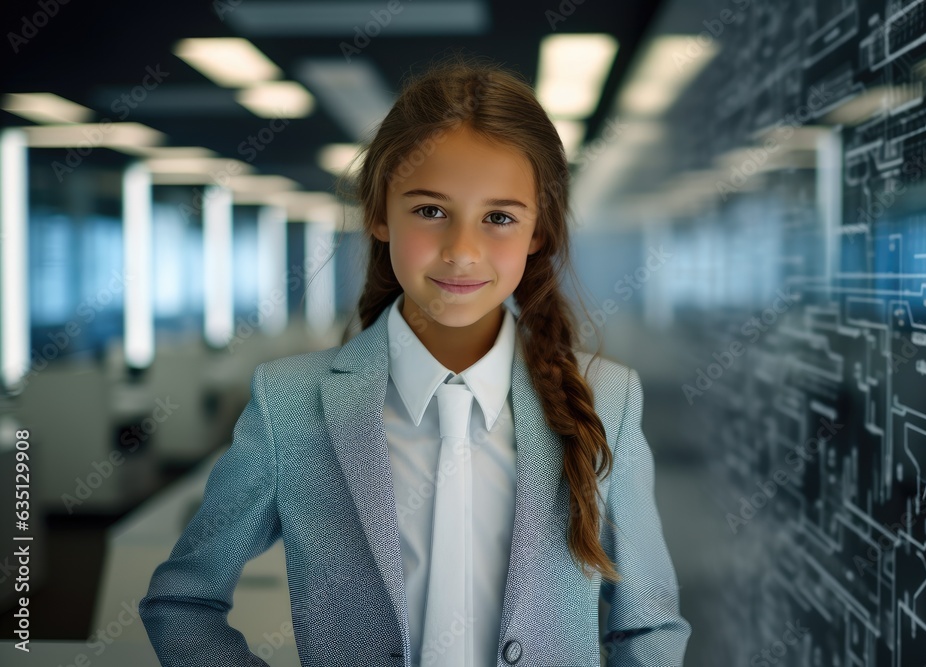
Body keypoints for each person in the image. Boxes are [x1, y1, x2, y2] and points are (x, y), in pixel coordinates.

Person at [138, 53, 691, 667]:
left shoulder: (605, 397)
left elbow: (647, 629)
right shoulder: (290, 403)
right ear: (379, 214)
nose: (462, 251)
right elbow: (183, 602)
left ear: (539, 232)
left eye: (499, 218)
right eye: (430, 211)